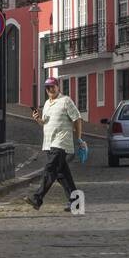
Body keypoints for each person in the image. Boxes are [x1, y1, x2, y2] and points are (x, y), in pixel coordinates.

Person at [25, 77, 84, 211]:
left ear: (58, 87)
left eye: (52, 86)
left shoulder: (65, 101)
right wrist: (38, 119)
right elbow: (45, 123)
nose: (50, 89)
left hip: (61, 143)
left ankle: (37, 198)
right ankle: (76, 201)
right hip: (48, 144)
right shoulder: (46, 104)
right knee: (62, 174)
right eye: (48, 87)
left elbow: (77, 118)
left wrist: (79, 139)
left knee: (50, 169)